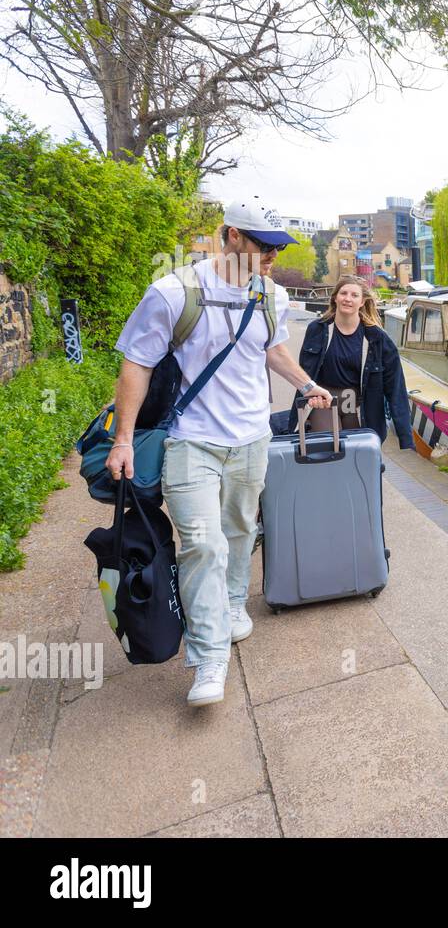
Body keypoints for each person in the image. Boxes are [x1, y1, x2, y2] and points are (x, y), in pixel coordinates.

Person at [106, 198, 333, 708]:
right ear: (231, 236)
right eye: (264, 245)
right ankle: (209, 658)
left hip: (251, 438)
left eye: (279, 246)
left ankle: (233, 604)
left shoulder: (271, 295)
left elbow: (272, 350)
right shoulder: (174, 291)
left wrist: (307, 383)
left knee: (238, 532)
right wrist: (123, 439)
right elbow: (137, 364)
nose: (274, 255)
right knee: (202, 544)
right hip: (192, 440)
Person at [295, 277, 414, 451]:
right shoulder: (317, 330)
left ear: (362, 301)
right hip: (324, 400)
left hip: (359, 405)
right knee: (329, 449)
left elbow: (395, 387)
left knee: (357, 455)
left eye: (354, 295)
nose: (347, 299)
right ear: (335, 298)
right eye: (343, 293)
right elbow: (304, 373)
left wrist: (405, 437)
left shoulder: (377, 339)